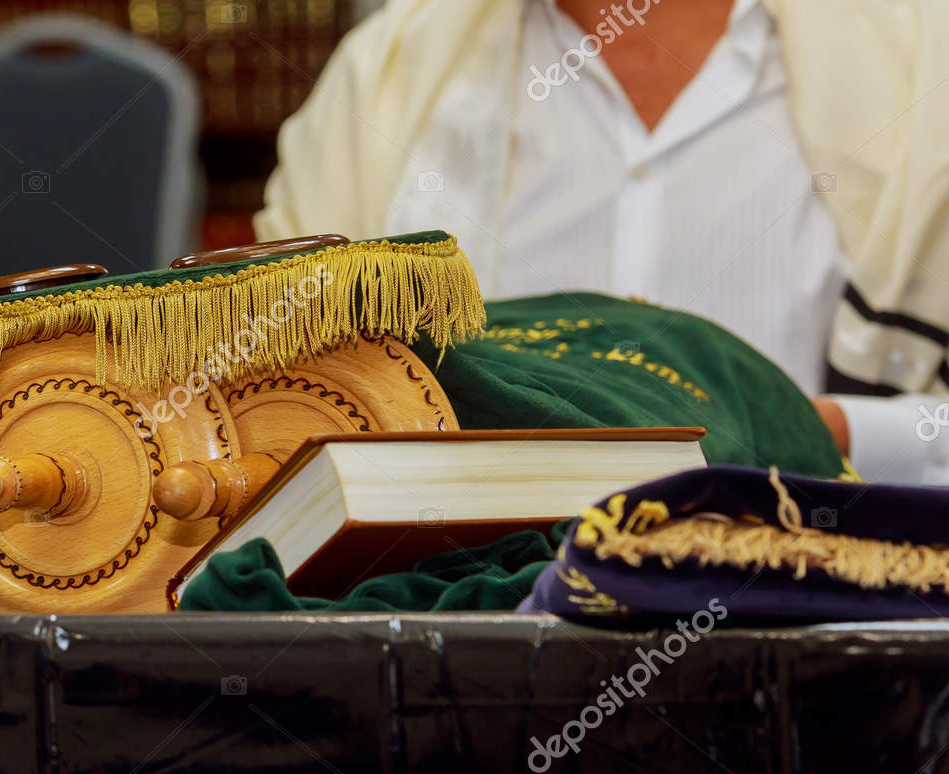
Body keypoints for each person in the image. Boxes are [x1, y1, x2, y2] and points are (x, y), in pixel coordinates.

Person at [259, 0, 949, 484]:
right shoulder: (384, 85)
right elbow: (268, 421)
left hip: (834, 655)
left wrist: (816, 433)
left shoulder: (924, 69)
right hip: (454, 651)